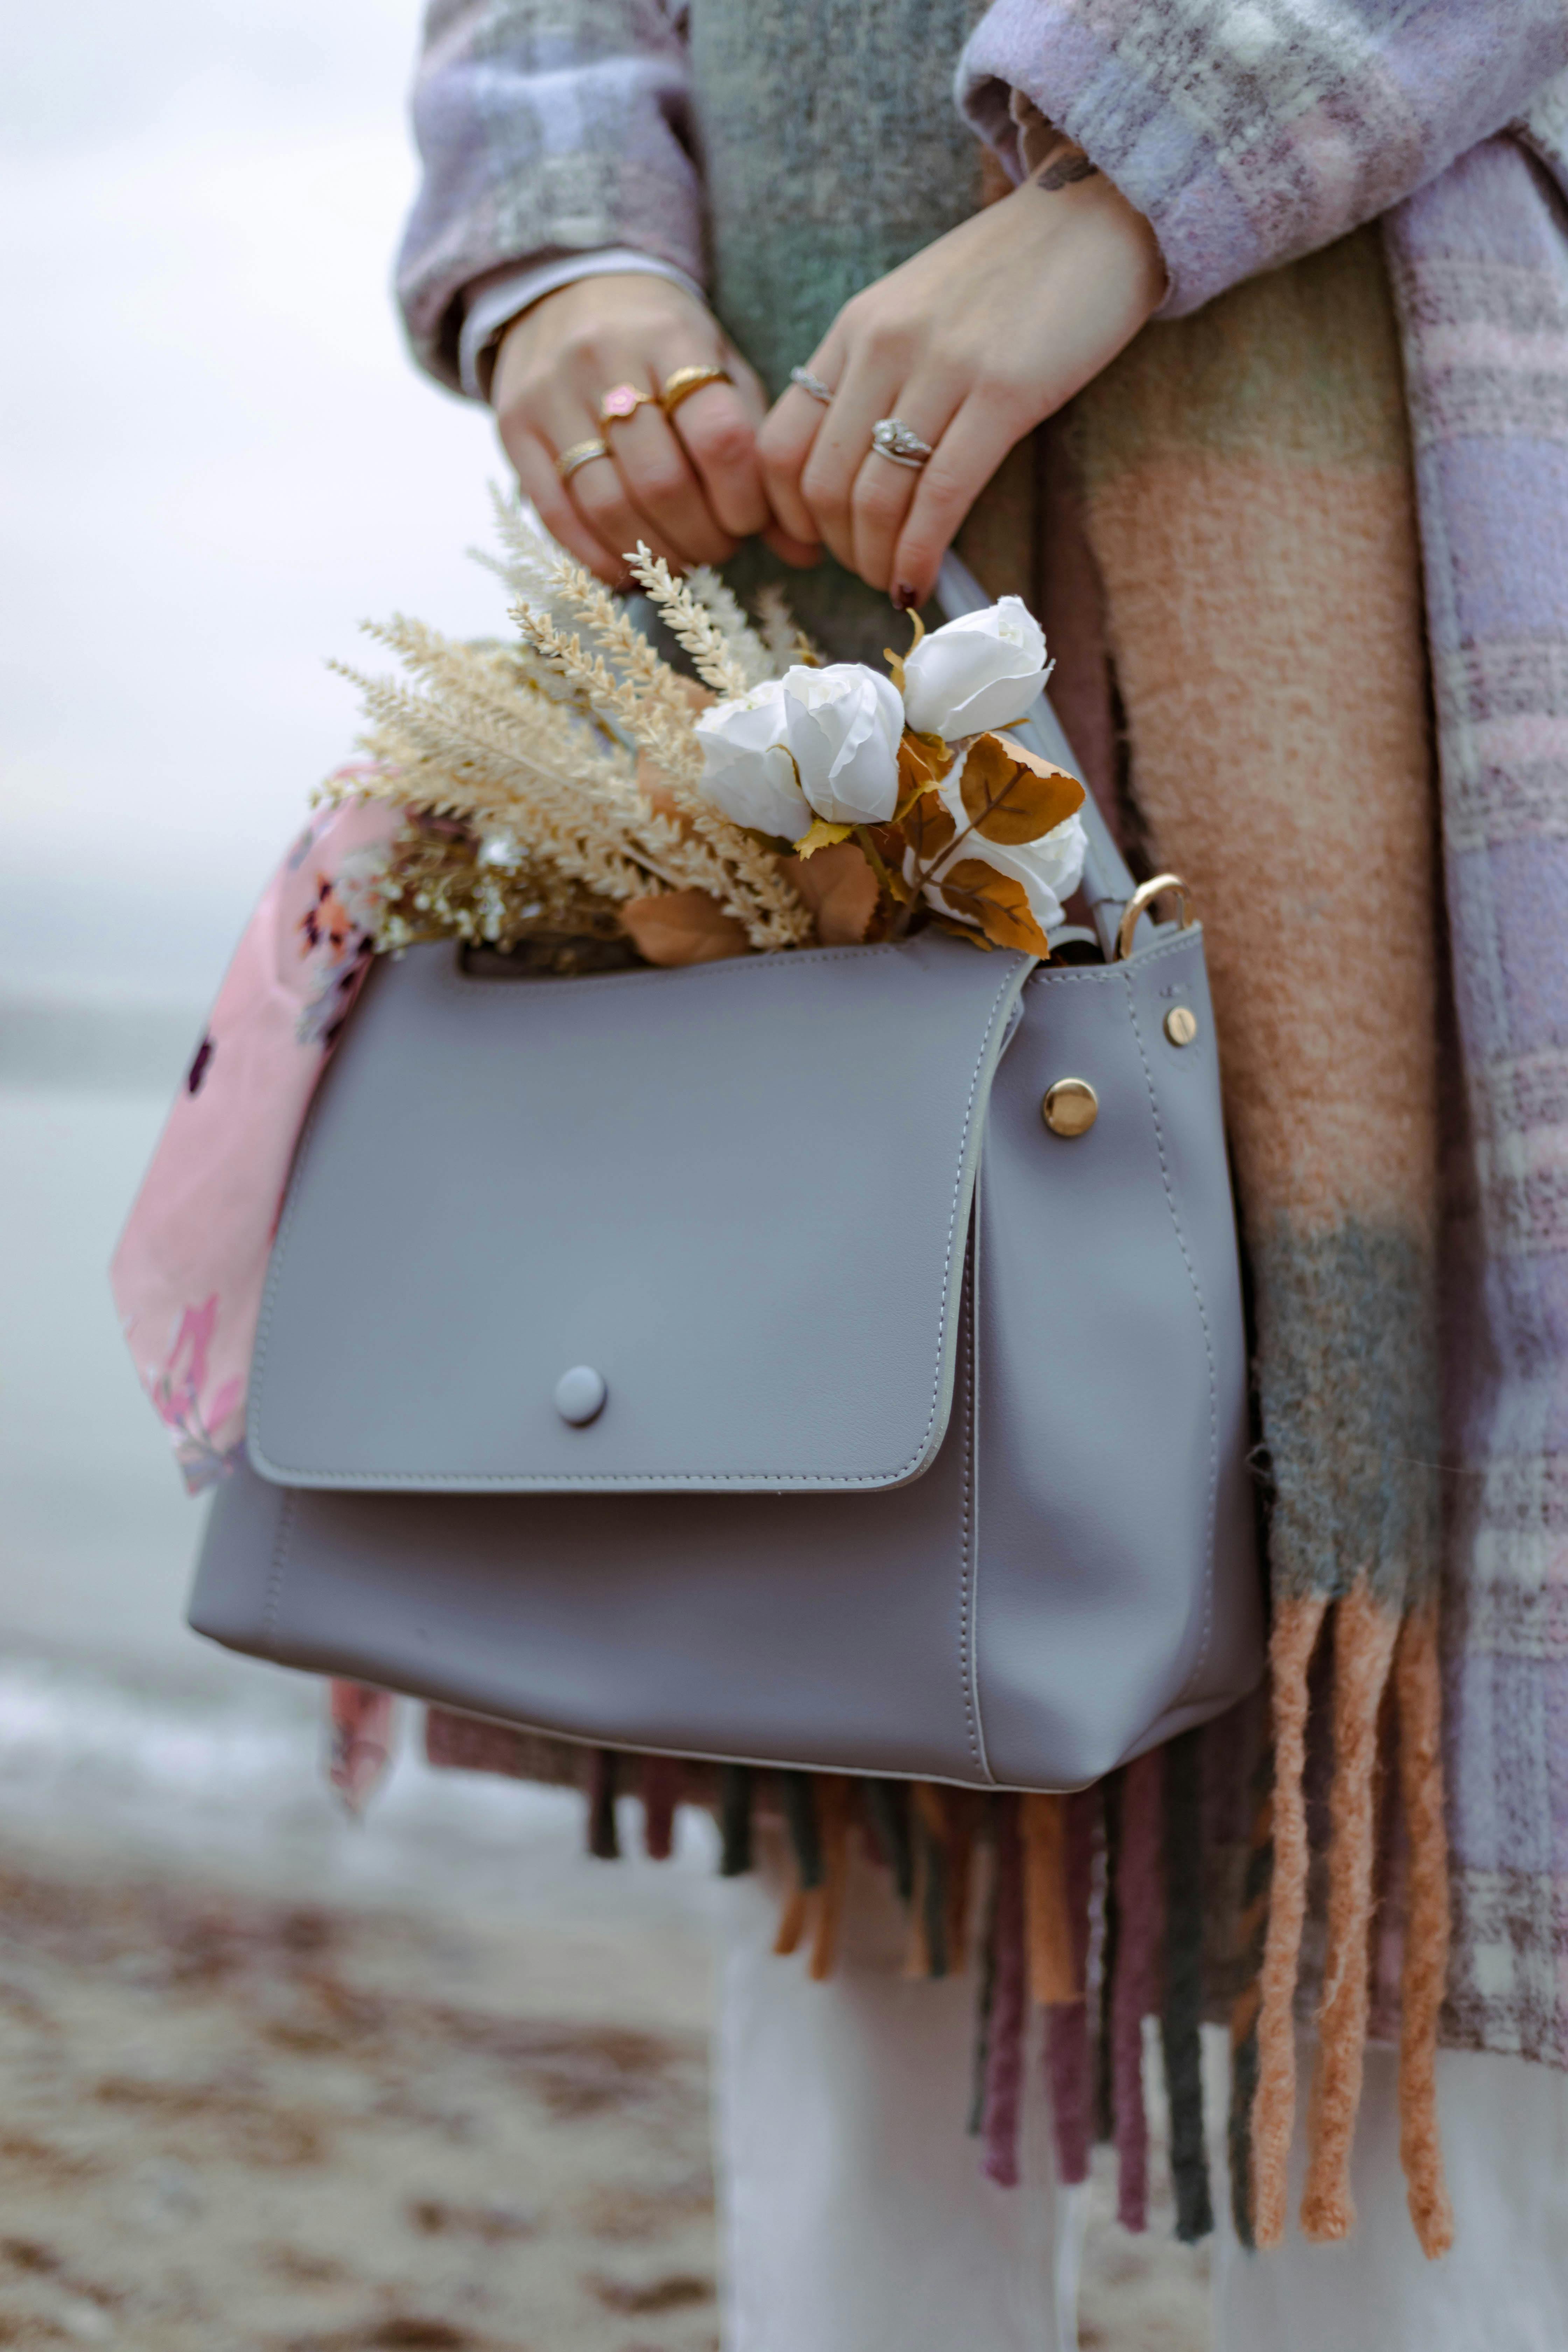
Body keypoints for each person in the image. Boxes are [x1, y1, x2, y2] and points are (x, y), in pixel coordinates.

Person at [394, 5, 1568, 2345]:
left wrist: (1126, 182)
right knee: (849, 1678)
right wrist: (564, 264)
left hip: (1388, 456)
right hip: (767, 512)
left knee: (1407, 1765)